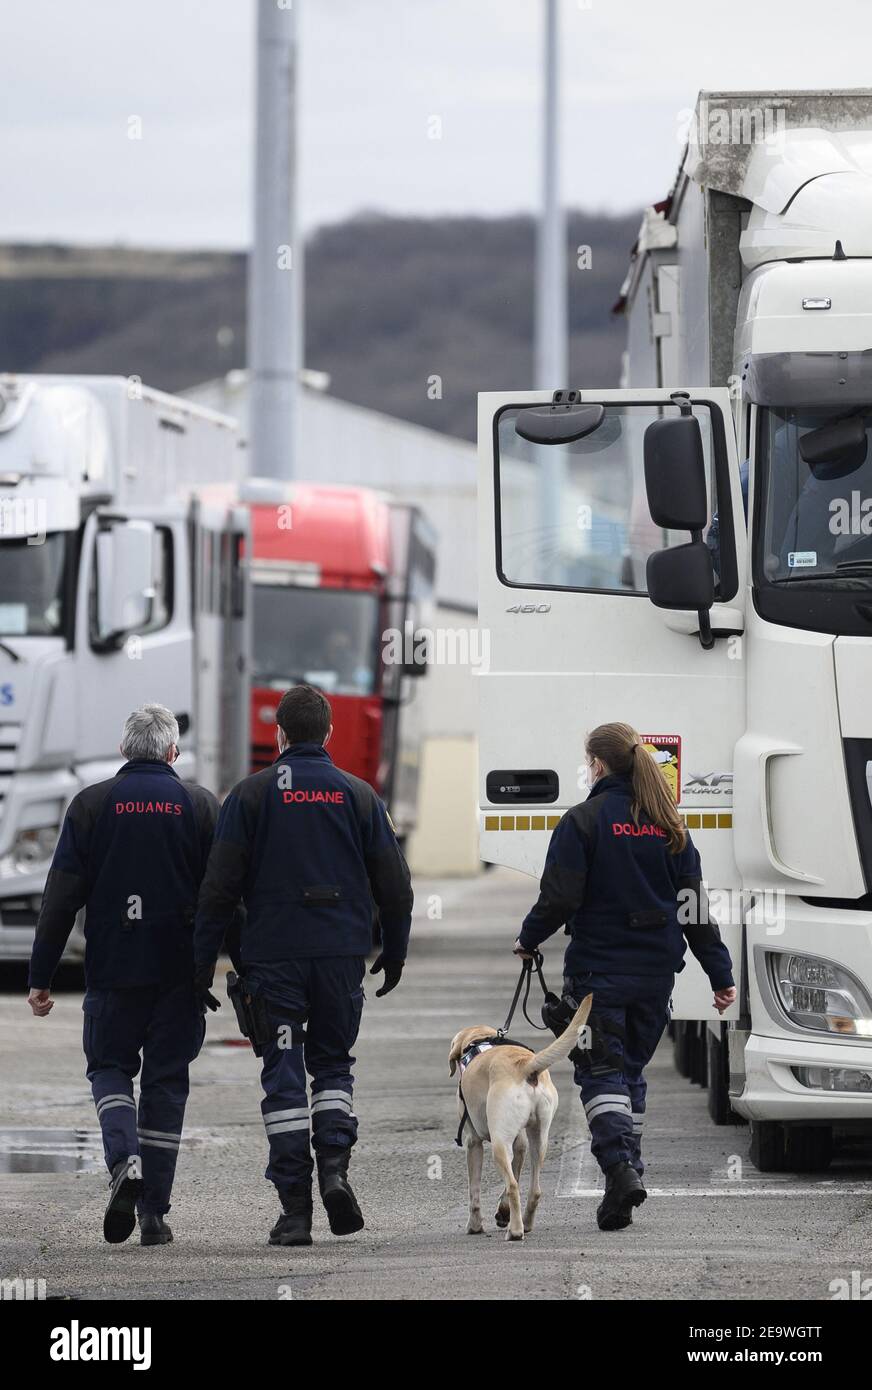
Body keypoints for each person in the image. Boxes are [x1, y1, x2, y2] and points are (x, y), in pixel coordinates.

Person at [194, 683, 413, 1247]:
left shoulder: (249, 796)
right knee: (333, 1066)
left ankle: (295, 1211)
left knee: (284, 1074)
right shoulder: (359, 795)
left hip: (274, 959)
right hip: (341, 956)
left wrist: (201, 966)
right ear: (330, 733)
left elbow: (218, 890)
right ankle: (335, 1170)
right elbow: (396, 884)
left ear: (280, 734)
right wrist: (394, 948)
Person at [514, 721, 735, 1232]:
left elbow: (560, 898)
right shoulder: (670, 826)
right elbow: (696, 911)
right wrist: (719, 974)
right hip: (657, 976)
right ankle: (624, 1178)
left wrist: (528, 939)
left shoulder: (583, 821)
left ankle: (619, 1168)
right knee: (630, 1071)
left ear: (596, 764)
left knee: (600, 1072)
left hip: (599, 976)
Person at [26, 704, 219, 1246]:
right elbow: (224, 897)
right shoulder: (199, 805)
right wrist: (244, 970)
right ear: (173, 752)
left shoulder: (91, 805)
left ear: (123, 751)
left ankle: (124, 1162)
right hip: (180, 977)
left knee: (110, 1069)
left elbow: (60, 898)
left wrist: (41, 976)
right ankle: (155, 1213)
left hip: (112, 971)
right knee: (165, 1083)